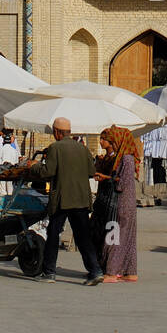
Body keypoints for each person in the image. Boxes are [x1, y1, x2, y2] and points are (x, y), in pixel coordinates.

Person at [33, 117, 102, 285]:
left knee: (53, 234)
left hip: (62, 199)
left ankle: (49, 272)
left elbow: (47, 172)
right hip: (81, 198)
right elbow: (91, 171)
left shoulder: (55, 148)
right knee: (83, 236)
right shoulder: (82, 148)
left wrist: (34, 165)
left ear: (57, 132)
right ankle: (95, 270)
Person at [94, 126, 140, 283]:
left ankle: (112, 273)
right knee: (125, 238)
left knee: (115, 237)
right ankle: (129, 272)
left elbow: (122, 183)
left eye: (105, 139)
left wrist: (105, 178)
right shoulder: (121, 158)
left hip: (122, 203)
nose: (102, 142)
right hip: (123, 203)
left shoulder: (126, 159)